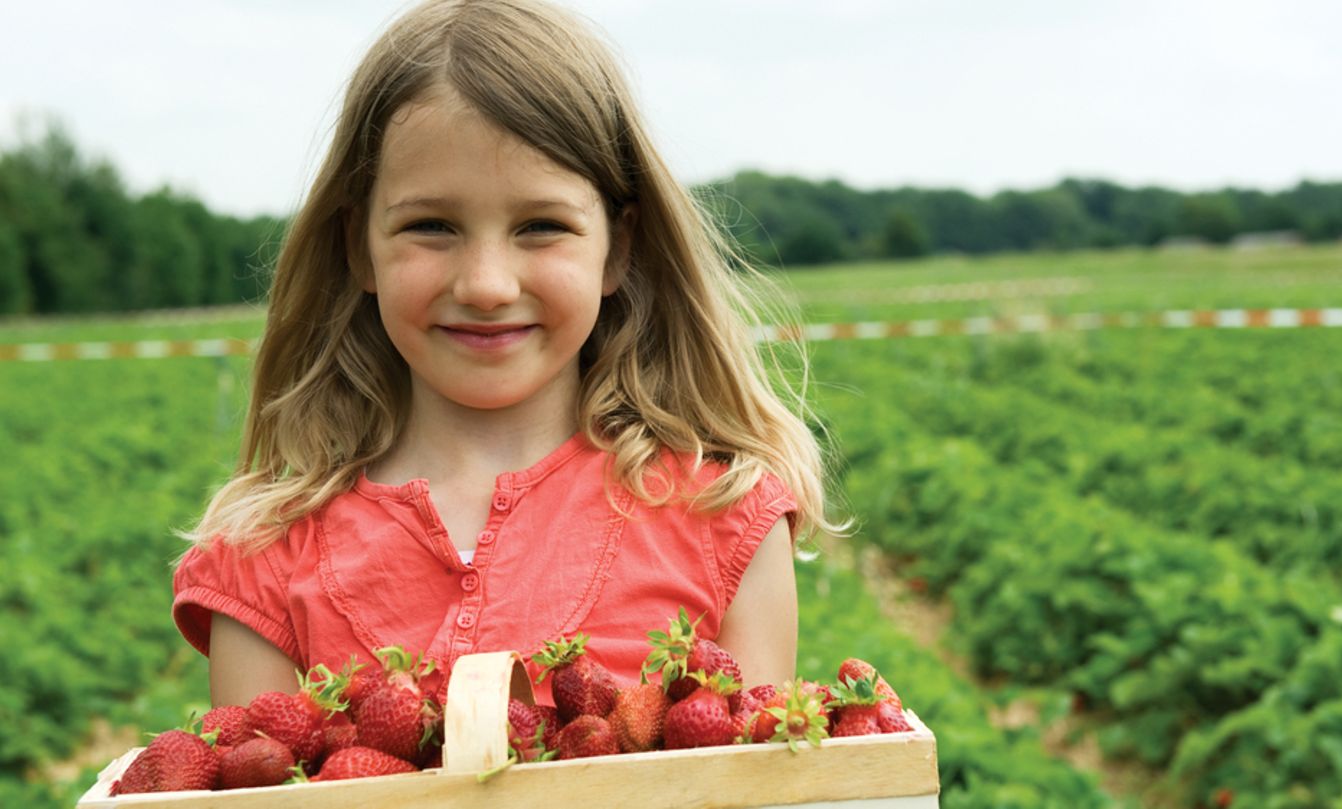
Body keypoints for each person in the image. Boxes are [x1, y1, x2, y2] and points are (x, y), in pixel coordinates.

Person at [171, 0, 843, 709]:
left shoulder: (723, 516)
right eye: (431, 226)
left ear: (616, 247)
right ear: (355, 246)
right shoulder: (265, 555)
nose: (487, 285)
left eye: (541, 226)